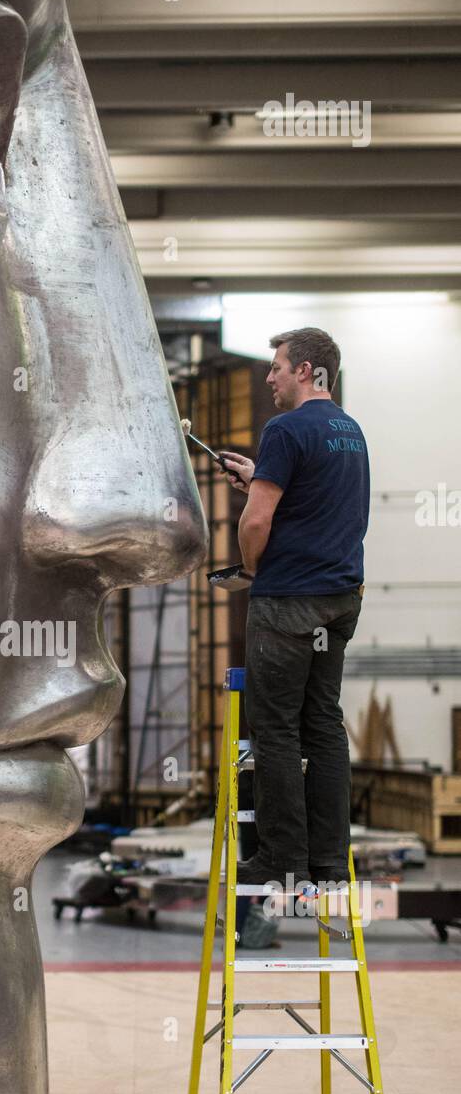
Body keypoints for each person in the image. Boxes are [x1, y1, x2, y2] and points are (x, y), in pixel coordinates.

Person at [219, 328, 368, 889]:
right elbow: (316, 503)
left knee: (275, 729)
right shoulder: (350, 432)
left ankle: (282, 859)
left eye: (276, 366)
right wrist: (259, 478)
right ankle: (329, 861)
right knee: (324, 725)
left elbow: (256, 522)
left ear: (306, 370)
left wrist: (251, 568)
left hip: (288, 603)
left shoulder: (283, 429)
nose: (269, 377)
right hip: (339, 600)